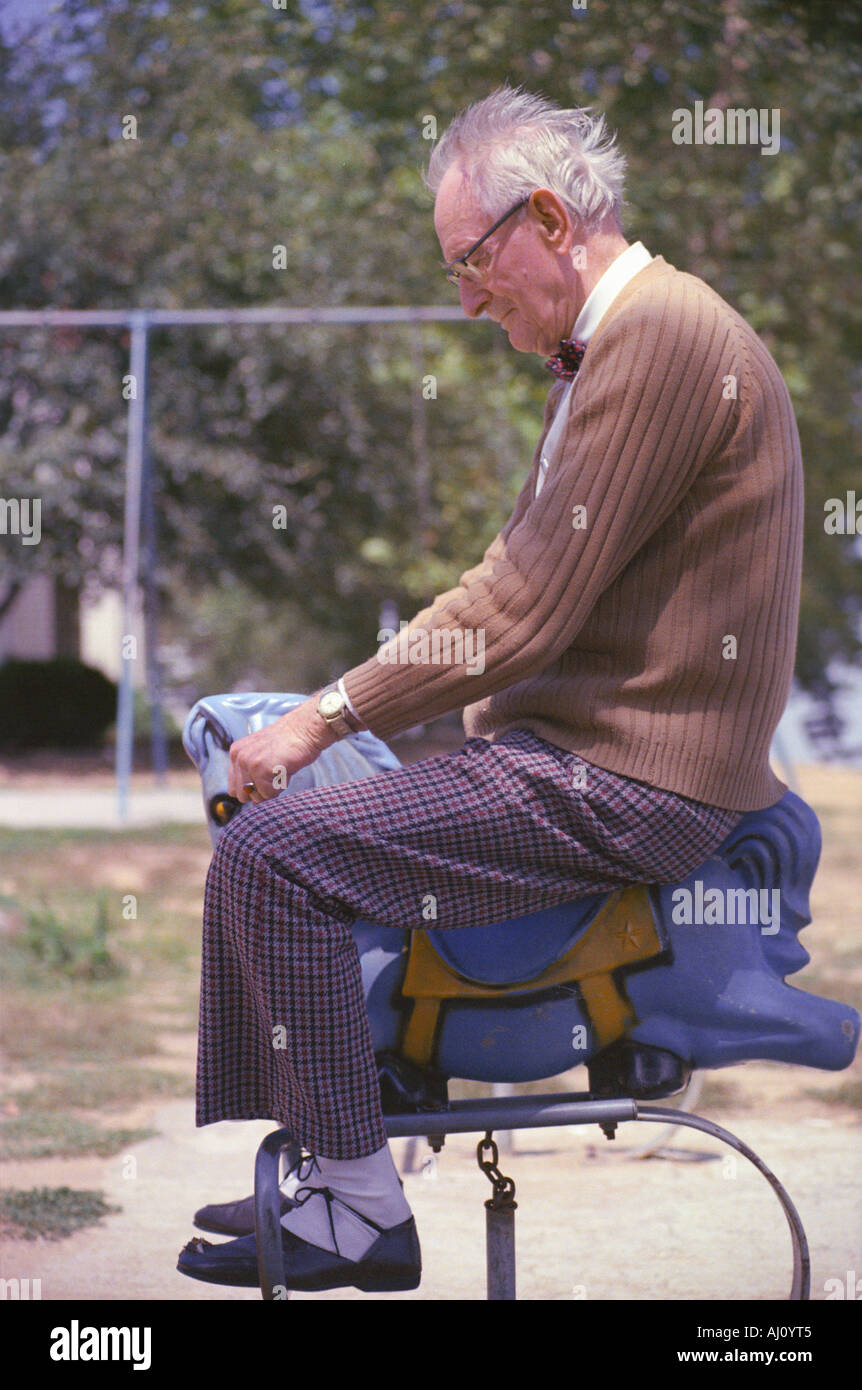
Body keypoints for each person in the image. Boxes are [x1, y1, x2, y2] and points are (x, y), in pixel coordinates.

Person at [178, 84, 803, 1292]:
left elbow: (517, 614)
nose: (466, 296)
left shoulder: (660, 337)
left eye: (472, 261)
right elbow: (514, 583)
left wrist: (321, 716)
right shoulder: (615, 346)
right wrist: (347, 719)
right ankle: (337, 1148)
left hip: (618, 783)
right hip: (589, 759)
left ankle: (358, 1211)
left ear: (551, 222)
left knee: (271, 852)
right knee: (300, 822)